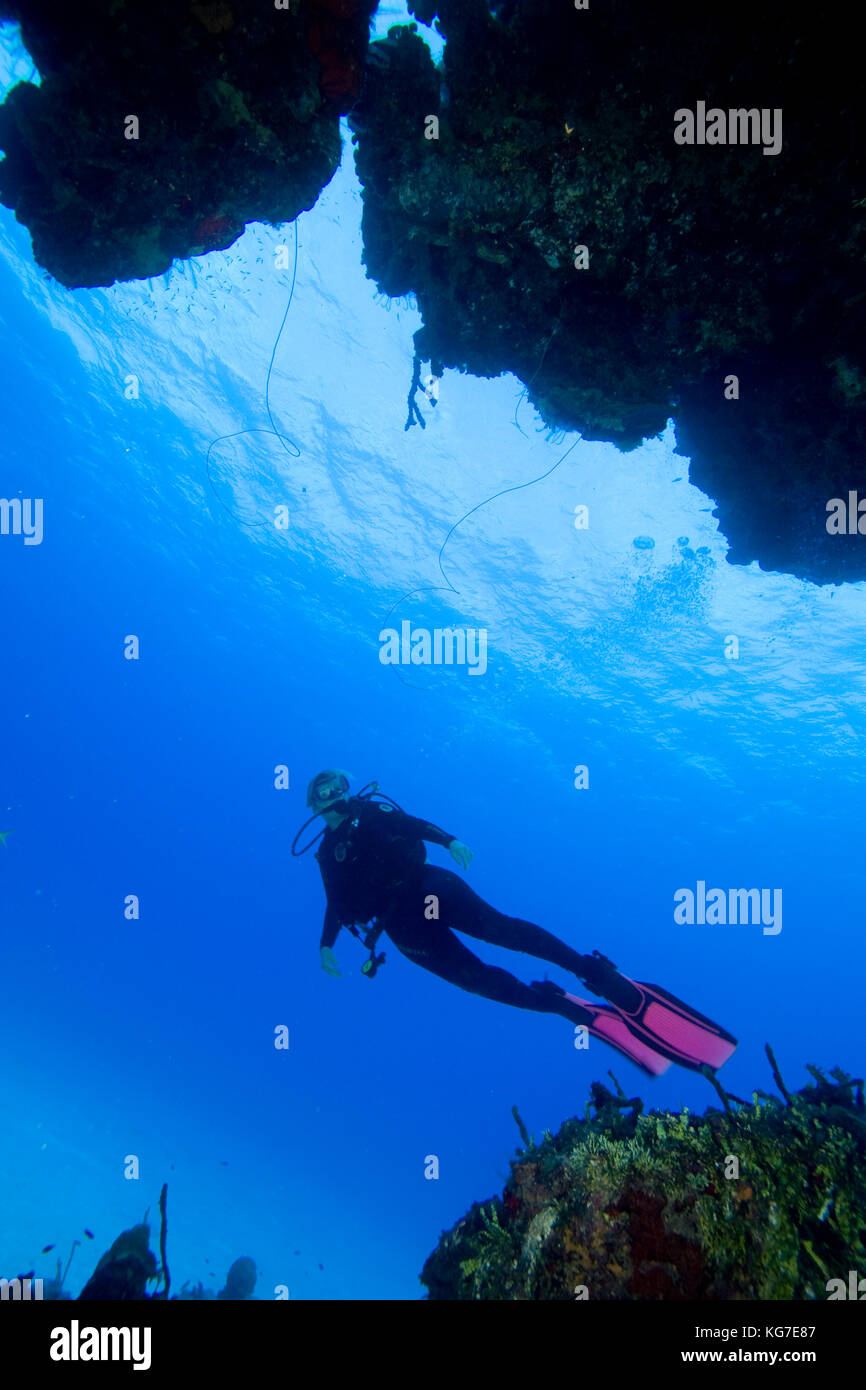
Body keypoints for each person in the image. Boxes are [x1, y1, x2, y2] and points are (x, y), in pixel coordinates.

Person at [302, 770, 737, 1077]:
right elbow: (335, 903)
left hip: (427, 887)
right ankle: (554, 1002)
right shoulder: (326, 853)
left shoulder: (371, 812)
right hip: (401, 928)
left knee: (503, 931)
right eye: (325, 790)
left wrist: (450, 840)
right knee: (478, 981)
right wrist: (326, 944)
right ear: (315, 804)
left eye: (339, 784)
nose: (336, 793)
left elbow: (411, 823)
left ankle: (593, 972)